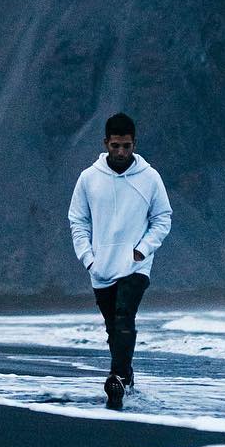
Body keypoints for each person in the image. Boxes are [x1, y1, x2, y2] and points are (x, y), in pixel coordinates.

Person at [68, 112, 172, 409]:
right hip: (100, 267)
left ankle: (117, 377)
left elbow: (162, 218)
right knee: (113, 327)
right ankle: (126, 376)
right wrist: (88, 258)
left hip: (136, 265)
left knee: (125, 316)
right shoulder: (89, 178)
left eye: (126, 146)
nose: (121, 152)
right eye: (116, 146)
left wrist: (142, 250)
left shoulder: (150, 177)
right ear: (106, 143)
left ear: (134, 144)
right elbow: (77, 220)